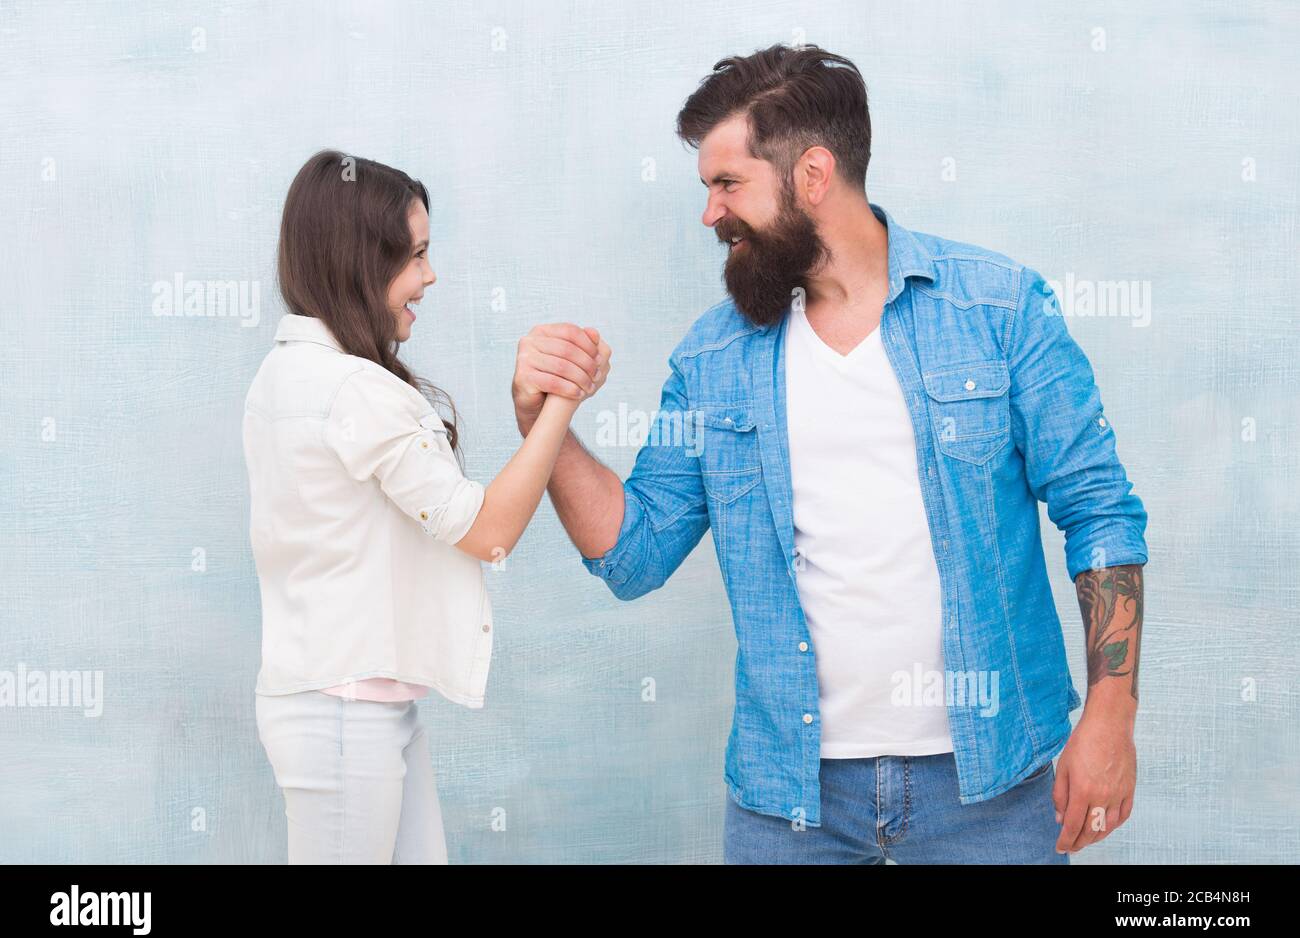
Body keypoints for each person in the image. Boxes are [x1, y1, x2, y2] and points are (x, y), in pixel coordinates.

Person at [512, 45, 1147, 864]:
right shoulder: (715, 358)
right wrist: (549, 425)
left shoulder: (998, 308)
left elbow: (1098, 509)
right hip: (791, 803)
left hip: (993, 787)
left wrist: (1111, 717)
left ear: (812, 173)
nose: (711, 214)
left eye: (727, 184)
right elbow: (634, 552)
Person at [243, 150, 610, 864]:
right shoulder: (351, 391)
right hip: (345, 712)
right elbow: (489, 530)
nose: (430, 276)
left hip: (356, 703)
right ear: (360, 262)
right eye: (416, 256)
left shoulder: (292, 374)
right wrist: (561, 400)